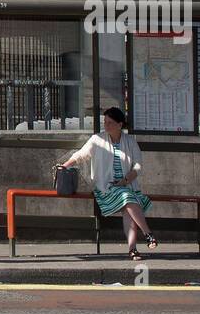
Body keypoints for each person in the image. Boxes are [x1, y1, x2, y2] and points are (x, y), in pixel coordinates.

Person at [59, 106, 156, 259]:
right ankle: (148, 233)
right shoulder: (97, 139)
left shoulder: (130, 141)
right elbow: (81, 155)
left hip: (127, 185)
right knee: (128, 199)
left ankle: (133, 249)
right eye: (105, 122)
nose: (106, 125)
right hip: (106, 187)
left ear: (120, 124)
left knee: (128, 209)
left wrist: (125, 180)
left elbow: (138, 165)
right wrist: (64, 166)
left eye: (110, 122)